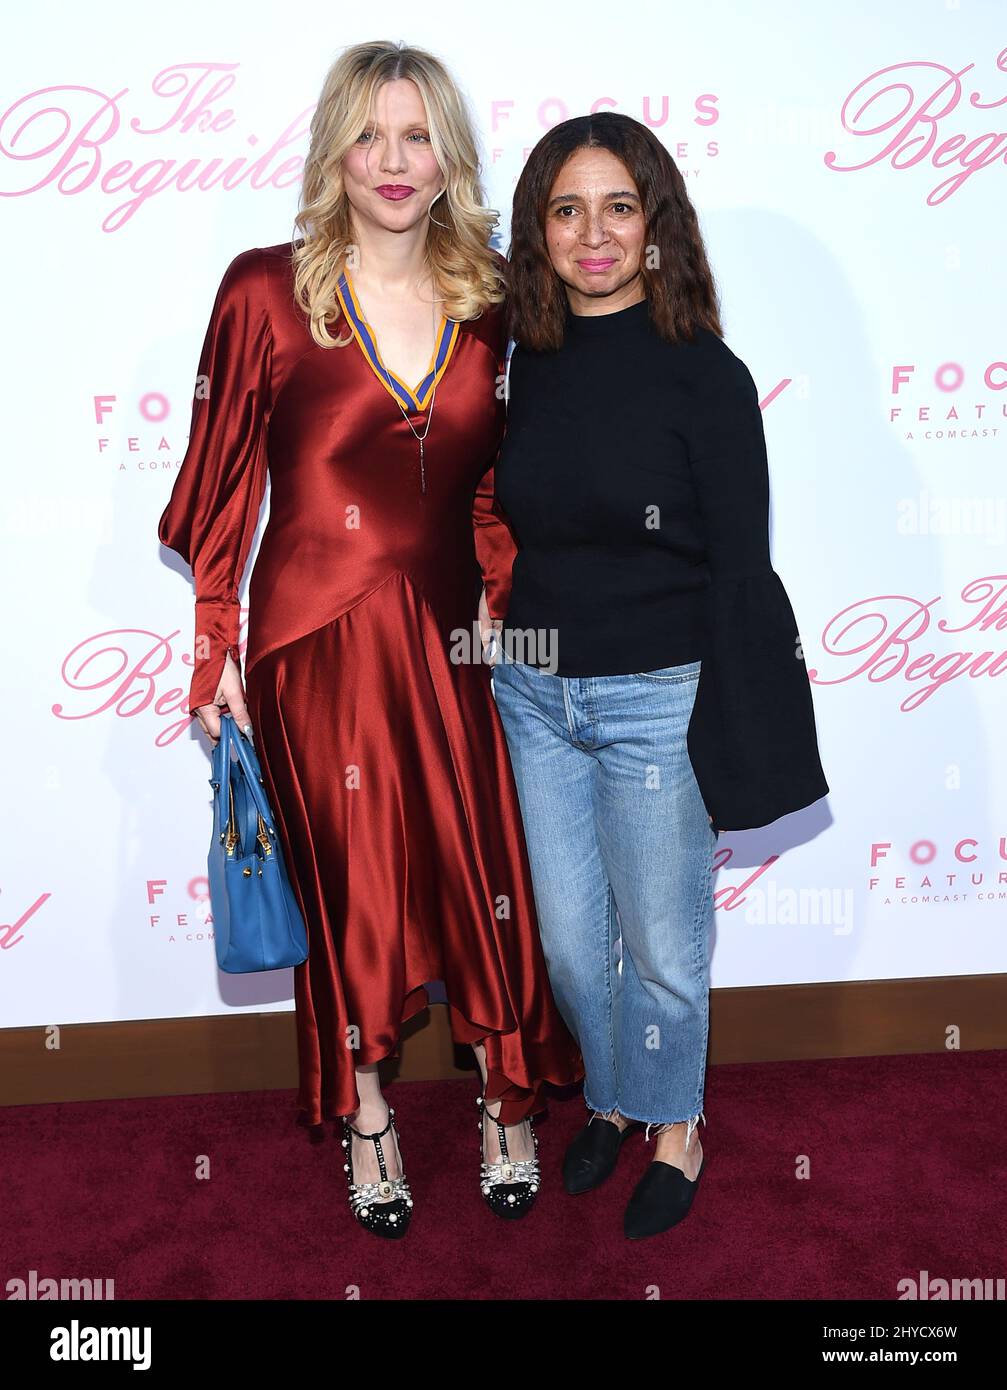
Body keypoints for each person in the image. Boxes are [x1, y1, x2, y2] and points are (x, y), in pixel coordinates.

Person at [157, 40, 583, 1240]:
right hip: (311, 647)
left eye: (417, 136)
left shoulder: (495, 299)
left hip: (457, 648)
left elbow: (496, 489)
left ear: (450, 152)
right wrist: (212, 644)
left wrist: (503, 604)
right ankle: (368, 1116)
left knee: (486, 872)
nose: (394, 162)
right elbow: (220, 487)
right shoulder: (264, 291)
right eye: (370, 135)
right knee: (351, 893)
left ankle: (507, 1099)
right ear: (333, 148)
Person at [490, 112, 829, 1239]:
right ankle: (608, 1094)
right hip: (533, 689)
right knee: (573, 947)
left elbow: (740, 570)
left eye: (618, 207)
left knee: (667, 948)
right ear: (537, 231)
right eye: (566, 209)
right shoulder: (516, 364)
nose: (593, 234)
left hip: (655, 701)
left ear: (654, 227)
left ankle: (673, 1122)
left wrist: (745, 728)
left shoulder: (707, 378)